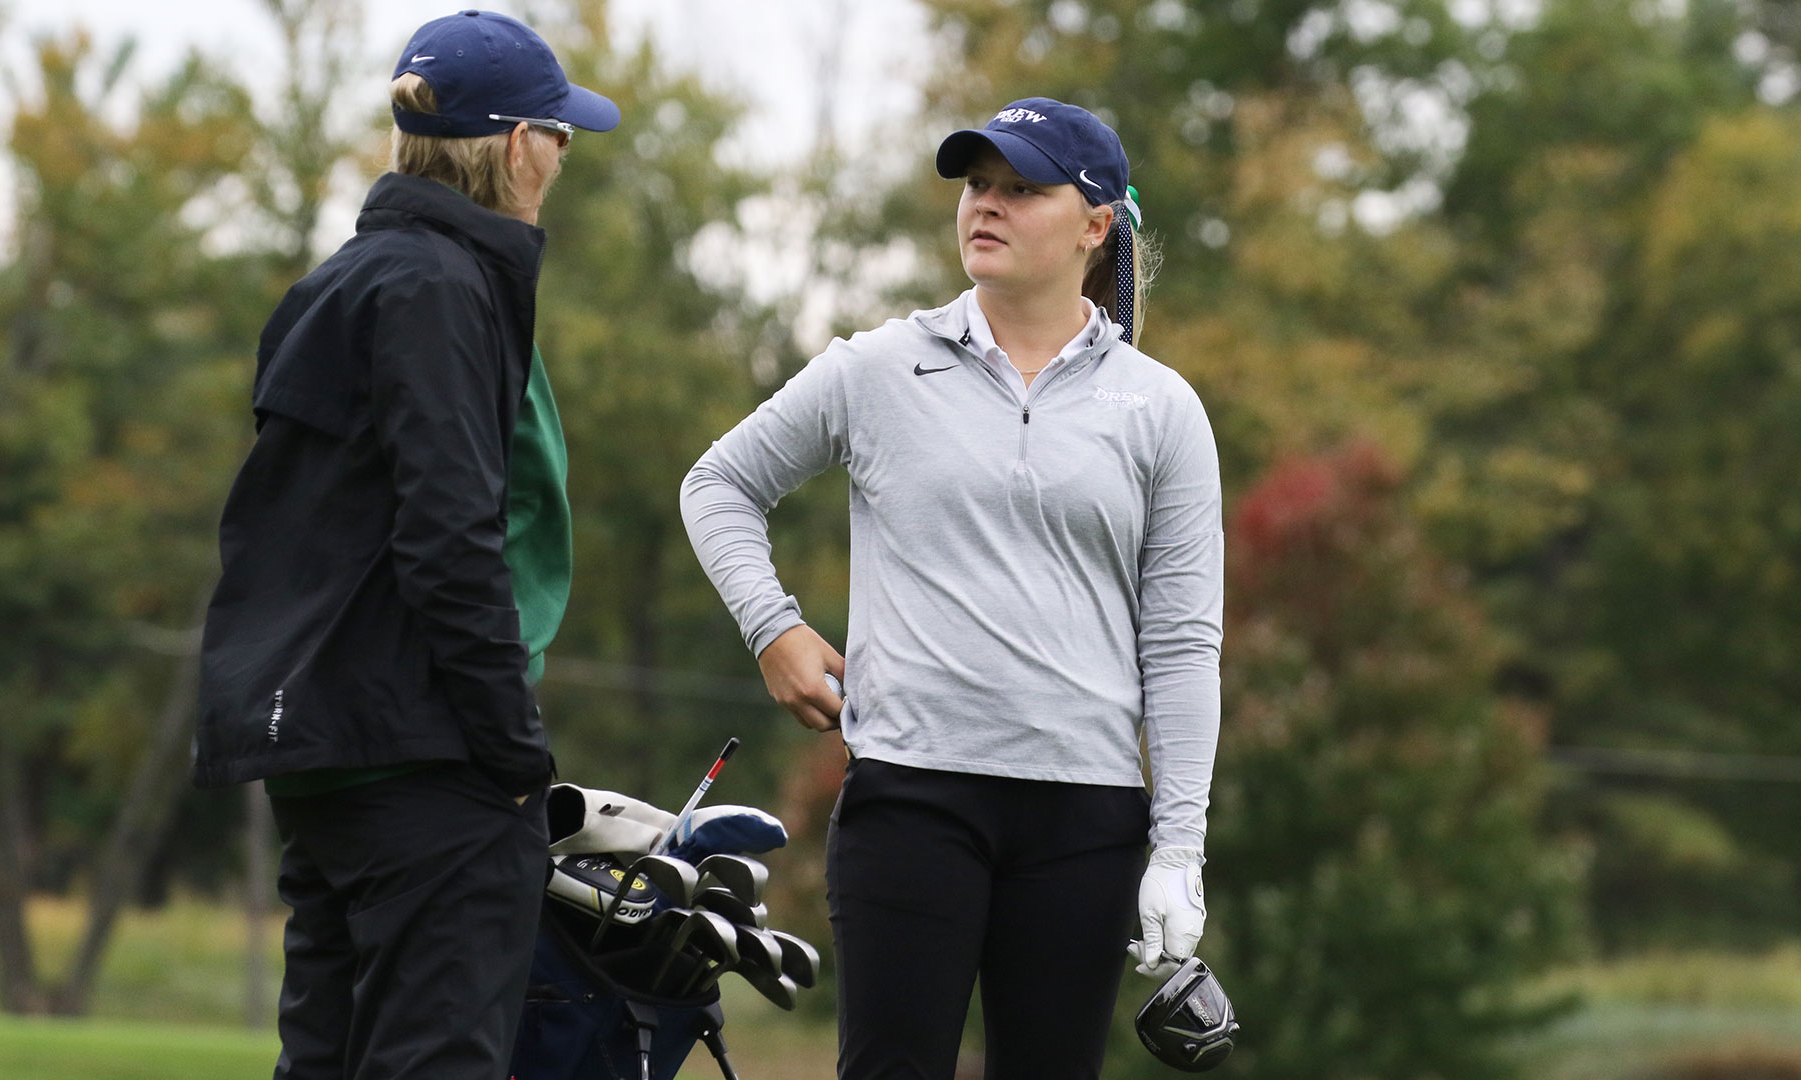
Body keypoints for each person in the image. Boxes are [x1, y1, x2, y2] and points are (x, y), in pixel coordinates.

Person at [680, 98, 1222, 1078]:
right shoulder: (882, 368)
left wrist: (1179, 850)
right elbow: (718, 485)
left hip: (1086, 818)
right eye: (979, 184)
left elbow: (1182, 644)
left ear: (1096, 224)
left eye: (1023, 188)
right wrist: (775, 629)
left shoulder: (1161, 409)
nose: (988, 205)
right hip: (912, 804)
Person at [191, 11, 615, 1079]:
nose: (564, 154)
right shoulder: (440, 289)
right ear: (518, 145)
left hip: (332, 754)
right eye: (560, 133)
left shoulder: (348, 278)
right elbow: (447, 540)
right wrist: (514, 754)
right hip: (424, 756)